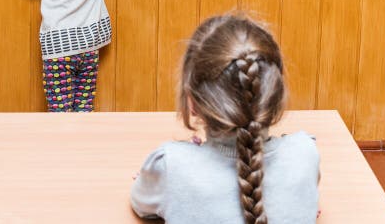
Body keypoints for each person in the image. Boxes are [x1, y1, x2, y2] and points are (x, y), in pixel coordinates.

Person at [131, 15, 320, 223]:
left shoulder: (170, 166)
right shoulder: (305, 153)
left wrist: (154, 179)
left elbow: (141, 205)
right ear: (274, 98)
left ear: (192, 102)